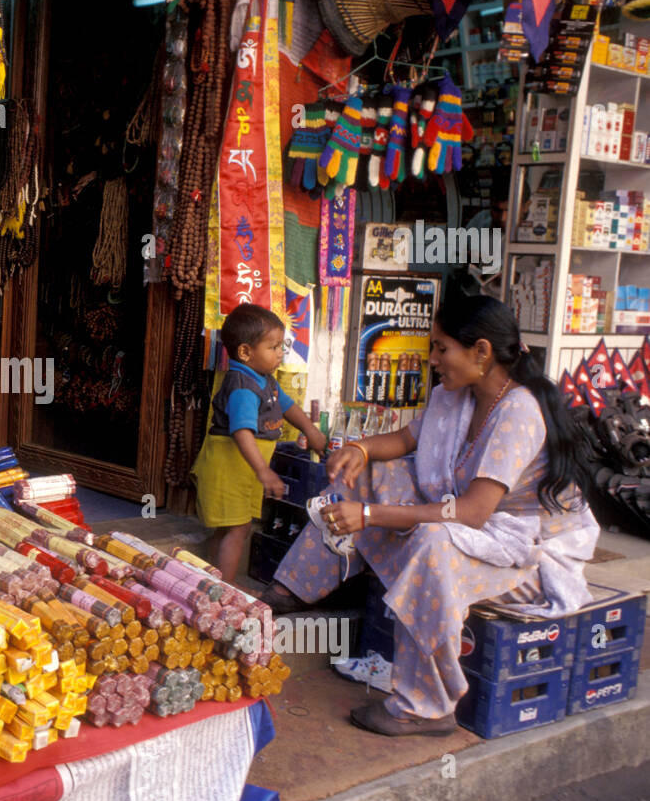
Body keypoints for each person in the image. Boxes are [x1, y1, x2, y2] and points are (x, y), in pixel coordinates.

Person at [263, 295, 598, 736]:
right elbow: (406, 439)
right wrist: (360, 449)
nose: (434, 359)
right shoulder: (455, 396)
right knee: (365, 476)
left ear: (481, 351)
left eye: (442, 349)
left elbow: (474, 512)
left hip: (527, 560)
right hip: (473, 525)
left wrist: (370, 515)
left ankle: (428, 706)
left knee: (431, 542)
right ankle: (292, 589)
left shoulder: (518, 410)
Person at [192, 304, 327, 586]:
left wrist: (310, 430)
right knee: (238, 529)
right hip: (229, 467)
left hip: (241, 470)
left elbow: (287, 406)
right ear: (245, 352)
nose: (281, 353)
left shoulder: (265, 380)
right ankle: (226, 590)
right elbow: (241, 432)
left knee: (228, 528)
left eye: (281, 346)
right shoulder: (242, 387)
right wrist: (263, 472)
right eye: (274, 347)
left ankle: (213, 584)